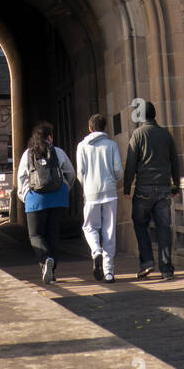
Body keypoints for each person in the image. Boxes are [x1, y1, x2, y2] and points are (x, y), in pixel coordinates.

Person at [123, 101, 181, 281]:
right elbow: (174, 161)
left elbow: (131, 163)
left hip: (144, 189)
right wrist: (176, 184)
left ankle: (147, 261)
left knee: (140, 224)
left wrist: (127, 187)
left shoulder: (138, 134)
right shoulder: (166, 134)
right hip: (164, 188)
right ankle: (166, 269)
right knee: (164, 228)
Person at [16, 122, 76, 284]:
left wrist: (25, 196)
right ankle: (51, 271)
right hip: (58, 198)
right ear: (50, 137)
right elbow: (71, 173)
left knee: (35, 234)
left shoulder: (28, 154)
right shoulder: (58, 152)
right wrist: (64, 189)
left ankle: (45, 258)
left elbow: (21, 178)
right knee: (53, 234)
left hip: (36, 198)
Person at [76, 114, 123, 283]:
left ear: (90, 128)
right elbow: (118, 170)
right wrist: (112, 180)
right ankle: (109, 271)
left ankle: (96, 251)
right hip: (109, 191)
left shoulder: (82, 146)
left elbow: (80, 172)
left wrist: (86, 185)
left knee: (89, 227)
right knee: (109, 231)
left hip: (91, 192)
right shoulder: (111, 145)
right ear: (105, 128)